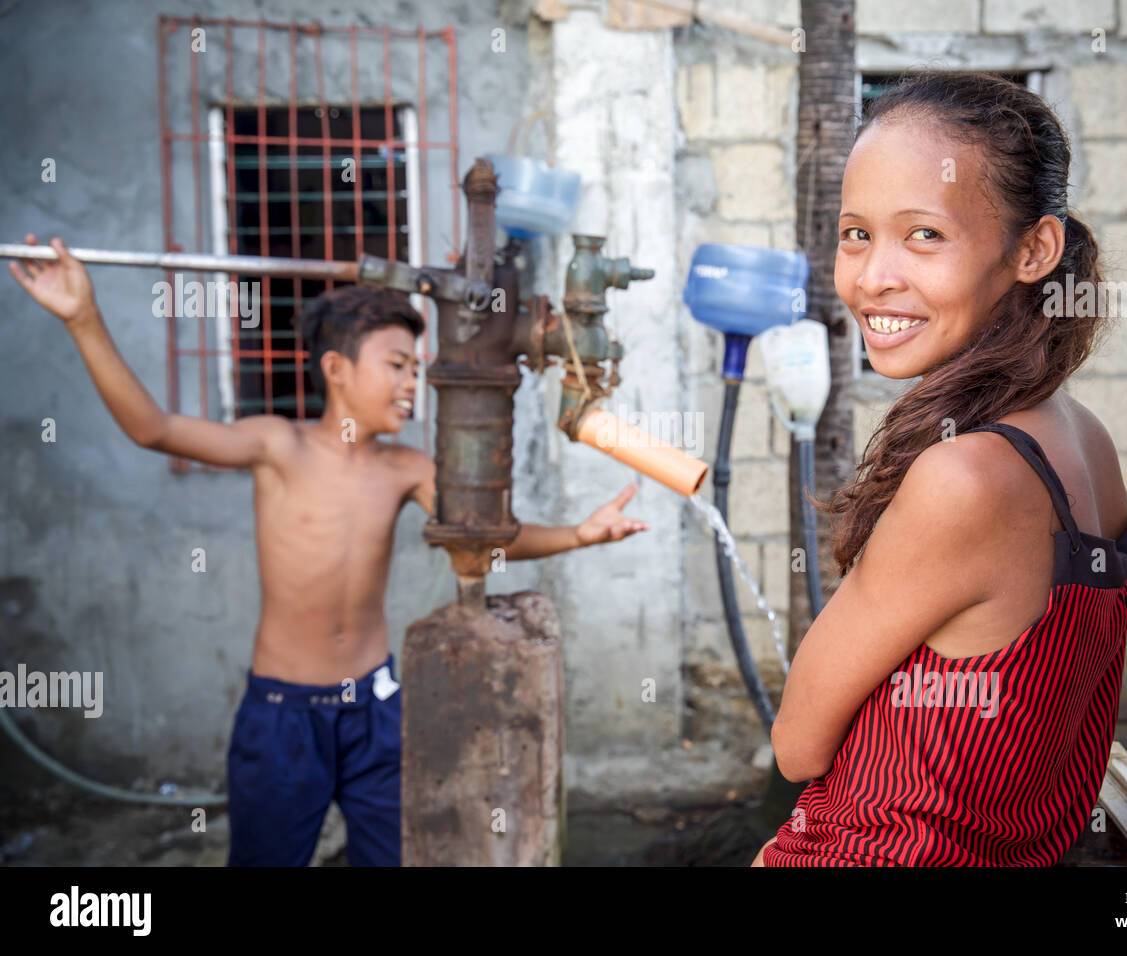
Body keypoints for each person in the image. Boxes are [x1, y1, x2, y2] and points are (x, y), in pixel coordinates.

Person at [8, 242, 649, 866]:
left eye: (414, 367)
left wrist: (578, 534)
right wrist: (83, 318)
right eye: (395, 365)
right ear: (337, 369)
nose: (410, 383)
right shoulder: (276, 447)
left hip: (376, 708)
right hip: (283, 717)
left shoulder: (406, 469)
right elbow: (153, 428)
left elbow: (486, 533)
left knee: (396, 856)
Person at [755, 71, 1127, 866]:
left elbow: (796, 745)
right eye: (855, 233)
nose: (872, 277)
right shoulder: (1085, 440)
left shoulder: (966, 478)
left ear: (1033, 249)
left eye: (924, 235)